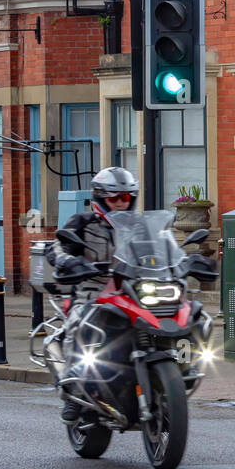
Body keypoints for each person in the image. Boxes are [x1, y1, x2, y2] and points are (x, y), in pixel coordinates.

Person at [50, 167, 139, 424]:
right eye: (115, 197)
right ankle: (73, 392)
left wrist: (182, 262)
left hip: (132, 291)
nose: (122, 202)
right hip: (92, 292)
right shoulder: (82, 223)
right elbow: (57, 248)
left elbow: (163, 246)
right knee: (81, 323)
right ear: (100, 197)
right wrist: (70, 262)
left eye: (126, 197)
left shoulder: (139, 225)